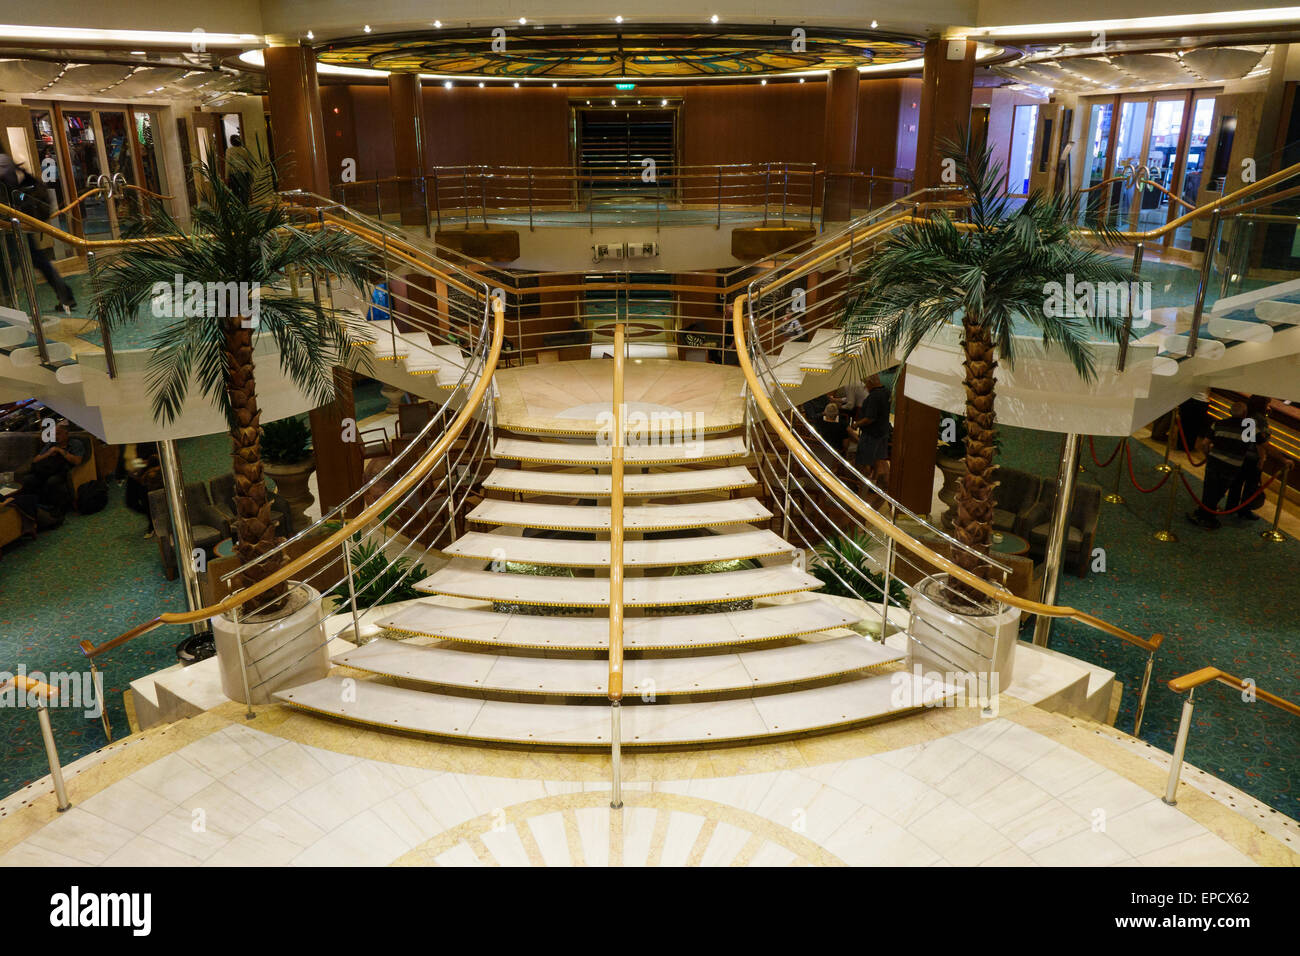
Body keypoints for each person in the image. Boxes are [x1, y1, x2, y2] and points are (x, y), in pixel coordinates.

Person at [0, 153, 77, 313]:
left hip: (12, 223)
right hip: (19, 221)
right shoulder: (6, 160)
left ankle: (8, 303)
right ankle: (66, 296)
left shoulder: (2, 162)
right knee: (35, 260)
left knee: (9, 264)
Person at [1187, 399, 1249, 530]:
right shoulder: (1248, 429)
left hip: (1215, 461)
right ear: (1244, 414)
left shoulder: (1218, 424)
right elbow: (1251, 447)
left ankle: (1203, 512)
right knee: (1220, 490)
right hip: (1232, 466)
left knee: (1209, 488)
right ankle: (1208, 517)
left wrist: (1208, 455)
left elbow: (1204, 444)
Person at [17, 420, 86, 518]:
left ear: (66, 434)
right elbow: (36, 460)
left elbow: (77, 461)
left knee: (52, 481)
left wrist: (60, 451)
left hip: (65, 471)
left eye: (58, 434)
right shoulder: (51, 444)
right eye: (54, 434)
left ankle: (57, 509)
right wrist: (48, 453)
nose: (56, 436)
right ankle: (35, 507)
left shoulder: (75, 443)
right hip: (48, 470)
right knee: (29, 479)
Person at [1226, 395, 1271, 521]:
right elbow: (1260, 442)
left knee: (1236, 483)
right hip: (1253, 457)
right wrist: (1262, 459)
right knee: (1250, 485)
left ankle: (1230, 507)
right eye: (1267, 403)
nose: (1269, 407)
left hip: (1240, 454)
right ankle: (1244, 510)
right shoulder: (1260, 420)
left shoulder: (1246, 415)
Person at [849, 373, 891, 490]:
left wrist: (856, 424)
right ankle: (877, 486)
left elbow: (870, 418)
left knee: (864, 462)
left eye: (866, 384)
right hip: (883, 432)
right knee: (878, 460)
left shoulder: (874, 396)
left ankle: (863, 488)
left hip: (871, 434)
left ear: (871, 382)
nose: (865, 387)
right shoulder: (886, 392)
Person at [124, 441, 163, 537]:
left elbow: (154, 457)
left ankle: (153, 523)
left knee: (147, 501)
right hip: (135, 474)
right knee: (131, 502)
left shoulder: (146, 439)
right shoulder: (127, 438)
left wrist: (140, 465)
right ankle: (156, 516)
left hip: (147, 474)